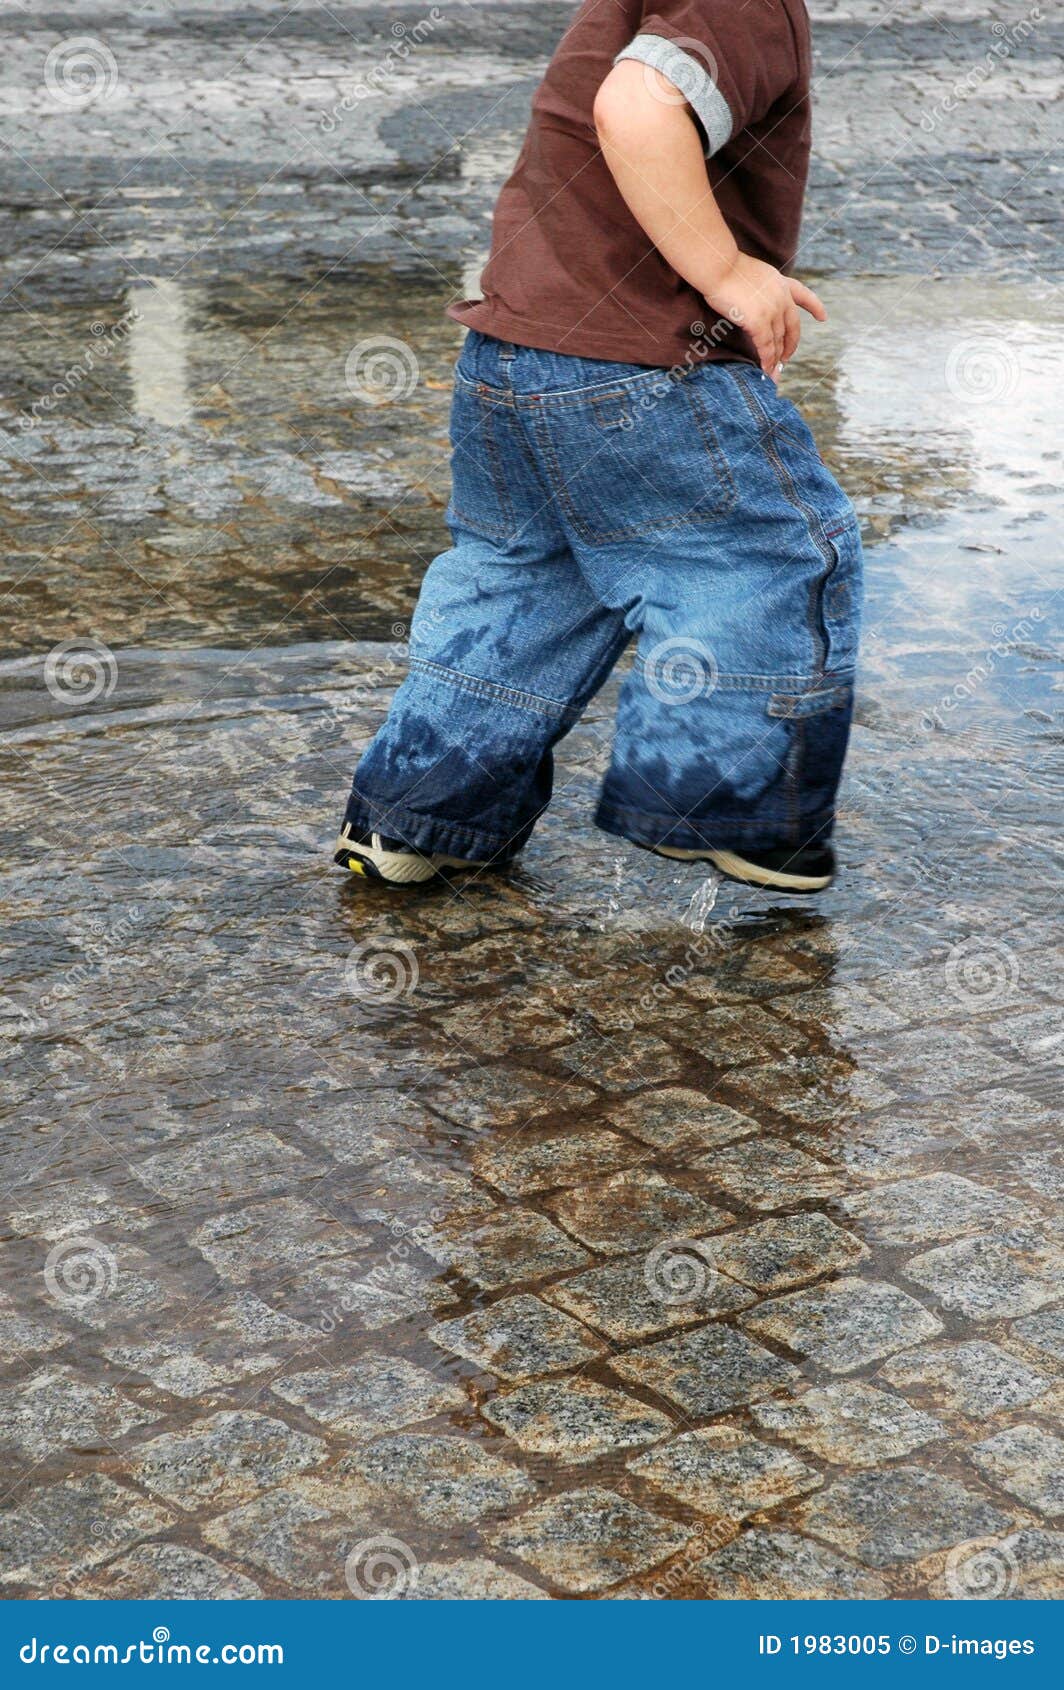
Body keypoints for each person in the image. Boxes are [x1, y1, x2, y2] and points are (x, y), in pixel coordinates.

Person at [335, 0, 862, 893]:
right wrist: (728, 273)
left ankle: (418, 814)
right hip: (645, 365)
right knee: (769, 553)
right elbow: (636, 107)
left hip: (510, 355)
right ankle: (717, 798)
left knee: (529, 579)